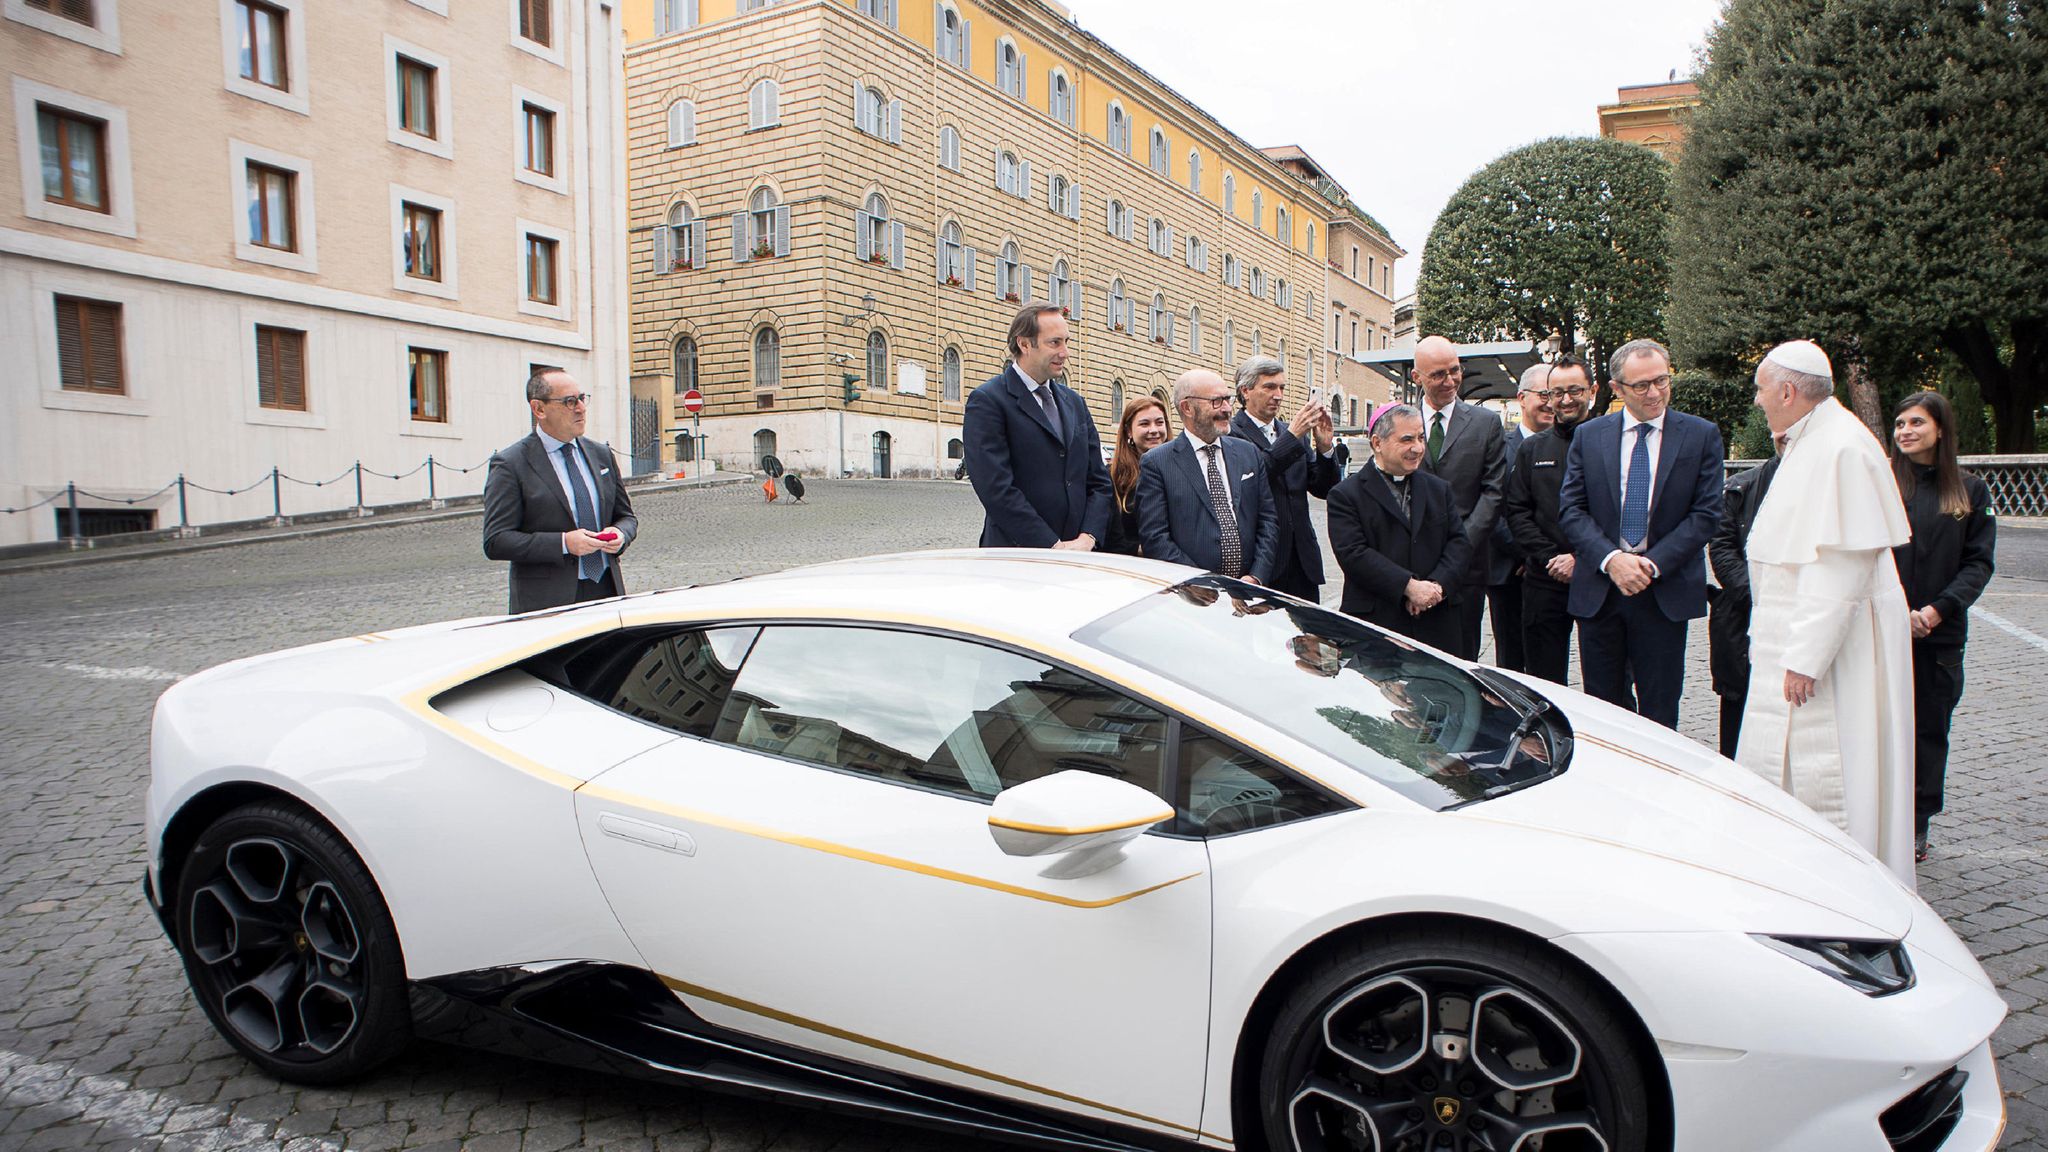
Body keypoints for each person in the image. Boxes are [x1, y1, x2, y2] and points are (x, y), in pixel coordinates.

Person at [1735, 340, 1914, 882]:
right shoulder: (1812, 440)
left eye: (1763, 390)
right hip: (1802, 643)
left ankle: (1843, 884)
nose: (1760, 401)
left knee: (1836, 768)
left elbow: (1840, 565)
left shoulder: (1840, 448)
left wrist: (1805, 659)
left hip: (1835, 656)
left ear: (1788, 391)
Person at [1557, 339, 1724, 729]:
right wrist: (1613, 560)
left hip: (1663, 592)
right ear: (1617, 389)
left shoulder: (1700, 435)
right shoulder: (1590, 436)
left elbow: (1706, 515)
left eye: (1662, 381)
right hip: (1601, 592)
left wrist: (1649, 565)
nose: (1655, 393)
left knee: (1660, 711)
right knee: (1604, 710)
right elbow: (1572, 509)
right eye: (1642, 386)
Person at [1889, 391, 1996, 861]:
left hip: (1939, 635)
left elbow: (1977, 564)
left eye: (1916, 423)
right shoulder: (1884, 485)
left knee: (1929, 731)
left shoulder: (1970, 491)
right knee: (1881, 728)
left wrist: (1937, 610)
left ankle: (1916, 822)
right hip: (1885, 629)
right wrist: (1894, 610)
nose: (1905, 432)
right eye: (1899, 424)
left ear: (1940, 429)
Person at [482, 369, 637, 613]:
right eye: (569, 401)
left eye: (582, 399)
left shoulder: (601, 455)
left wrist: (620, 534)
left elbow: (627, 517)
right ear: (539, 409)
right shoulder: (510, 464)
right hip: (548, 602)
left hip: (607, 590)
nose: (581, 408)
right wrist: (564, 543)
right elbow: (496, 541)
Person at [962, 303, 1110, 550]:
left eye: (1067, 342)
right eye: (1055, 343)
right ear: (1024, 344)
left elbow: (1099, 480)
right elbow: (996, 490)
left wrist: (1088, 537)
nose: (1065, 353)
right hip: (1018, 558)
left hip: (1079, 555)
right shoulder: (988, 401)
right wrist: (1051, 545)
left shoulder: (1075, 402)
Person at [1326, 404, 1472, 652]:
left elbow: (1459, 543)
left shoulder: (1438, 489)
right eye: (1407, 439)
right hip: (1378, 621)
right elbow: (1354, 554)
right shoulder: (1346, 495)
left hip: (1437, 620)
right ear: (1377, 442)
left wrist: (1435, 588)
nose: (1417, 448)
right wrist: (1409, 587)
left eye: (1420, 438)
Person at [1412, 335, 1506, 660]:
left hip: (1466, 568)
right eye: (1438, 374)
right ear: (1417, 377)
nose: (1450, 381)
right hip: (1412, 567)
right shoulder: (1399, 423)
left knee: (1462, 659)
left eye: (1455, 370)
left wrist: (1458, 546)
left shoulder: (1486, 424)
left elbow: (1494, 492)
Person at [1136, 369, 1278, 583]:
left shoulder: (1248, 453)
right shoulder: (1157, 463)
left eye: (1228, 400)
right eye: (1217, 401)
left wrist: (1257, 576)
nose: (1227, 409)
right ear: (1187, 408)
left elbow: (1268, 520)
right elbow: (1155, 538)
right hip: (1192, 598)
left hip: (1249, 591)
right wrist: (1203, 583)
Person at [1502, 356, 1593, 685]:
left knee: (1607, 683)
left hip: (1598, 576)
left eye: (1574, 390)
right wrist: (1550, 557)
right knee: (1543, 681)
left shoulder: (1610, 444)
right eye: (1557, 392)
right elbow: (1517, 510)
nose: (1566, 399)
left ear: (1592, 391)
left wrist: (1581, 558)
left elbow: (1615, 512)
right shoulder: (1533, 449)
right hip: (1544, 579)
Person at [1227, 357, 1338, 600]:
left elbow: (1323, 488)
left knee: (1306, 635)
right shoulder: (1232, 433)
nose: (1278, 395)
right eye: (1269, 387)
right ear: (1245, 391)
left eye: (1282, 388)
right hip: (1262, 562)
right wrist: (1292, 435)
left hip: (1302, 560)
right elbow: (1254, 479)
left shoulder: (1292, 433)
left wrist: (1325, 449)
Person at [1706, 456, 1781, 757]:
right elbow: (1721, 545)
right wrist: (1760, 595)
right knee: (1737, 723)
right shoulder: (1741, 486)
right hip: (1742, 618)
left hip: (1797, 622)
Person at [1486, 364, 1555, 671]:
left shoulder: (1571, 446)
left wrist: (1548, 558)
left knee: (1549, 664)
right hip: (1509, 572)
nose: (1551, 402)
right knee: (1511, 664)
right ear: (1522, 398)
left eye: (1555, 394)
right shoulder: (1498, 448)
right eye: (1543, 394)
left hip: (1554, 574)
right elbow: (1492, 508)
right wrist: (1531, 554)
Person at [1102, 395, 1172, 556]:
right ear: (1129, 431)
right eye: (1144, 424)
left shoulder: (1180, 470)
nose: (1153, 430)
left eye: (1159, 423)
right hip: (1133, 567)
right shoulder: (1111, 476)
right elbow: (1110, 536)